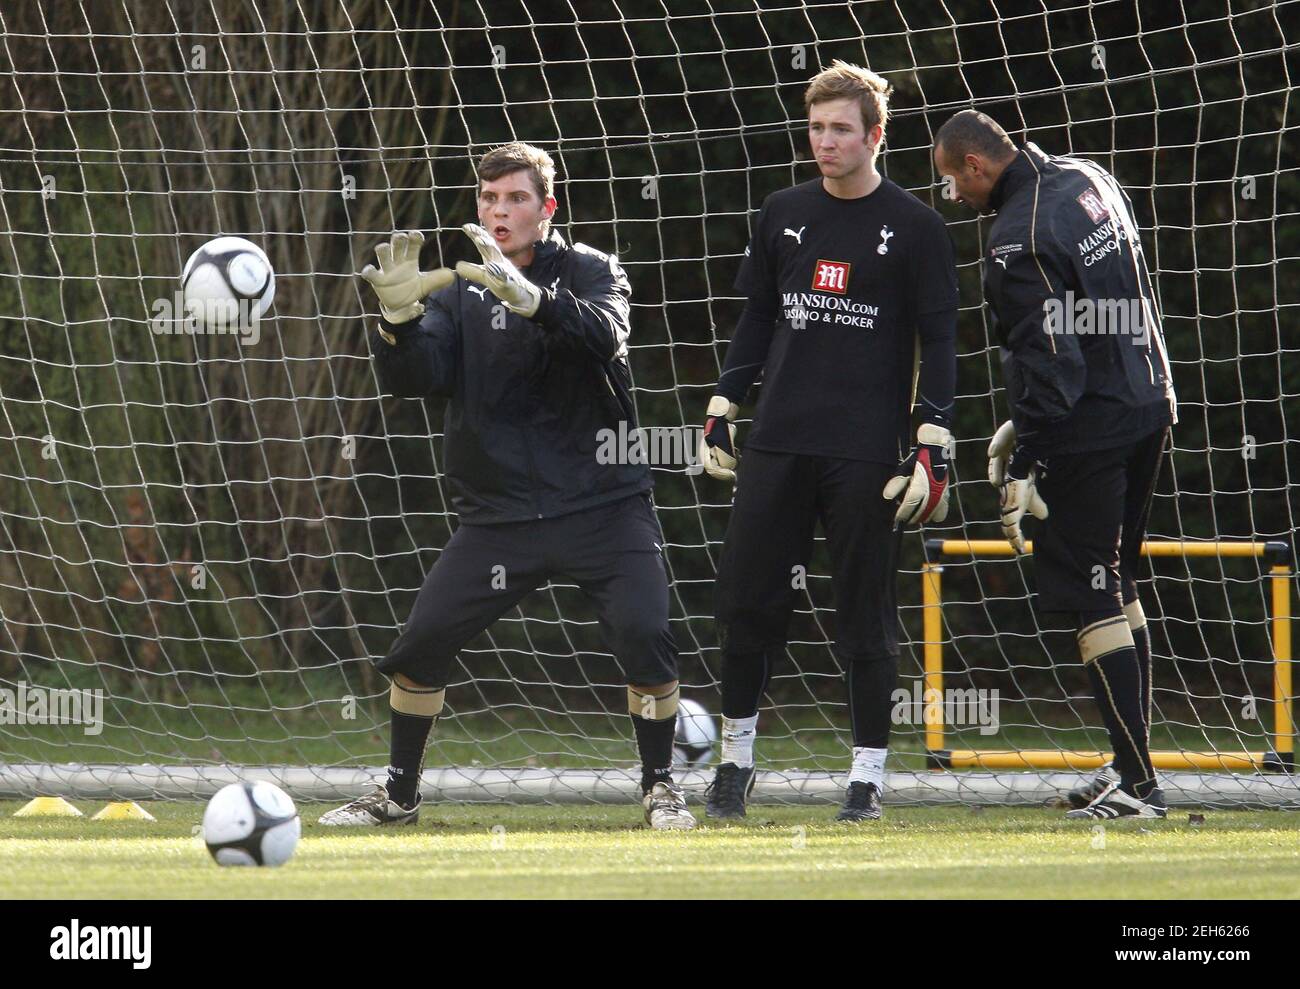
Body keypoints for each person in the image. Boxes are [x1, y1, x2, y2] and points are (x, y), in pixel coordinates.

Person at [320, 142, 695, 830]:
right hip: (498, 517)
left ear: (546, 208)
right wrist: (396, 326)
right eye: (489, 199)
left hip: (601, 504)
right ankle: (399, 794)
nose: (500, 211)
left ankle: (661, 787)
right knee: (423, 643)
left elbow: (606, 334)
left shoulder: (590, 268)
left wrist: (535, 302)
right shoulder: (461, 287)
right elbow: (419, 378)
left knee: (646, 635)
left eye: (516, 198)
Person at [699, 62, 959, 821]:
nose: (825, 141)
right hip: (779, 439)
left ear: (875, 135)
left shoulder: (918, 227)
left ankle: (867, 778)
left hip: (866, 451)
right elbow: (757, 317)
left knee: (863, 614)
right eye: (816, 127)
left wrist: (932, 436)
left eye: (841, 128)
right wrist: (723, 403)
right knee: (747, 606)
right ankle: (734, 765)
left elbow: (940, 339)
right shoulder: (782, 210)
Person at [933, 109, 1177, 819]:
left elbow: (1052, 357)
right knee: (1117, 577)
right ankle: (1131, 760)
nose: (958, 198)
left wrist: (1025, 462)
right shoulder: (1086, 178)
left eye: (952, 184)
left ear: (975, 166)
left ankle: (1139, 785)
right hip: (1148, 401)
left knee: (1089, 590)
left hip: (1089, 428)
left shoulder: (1017, 239)